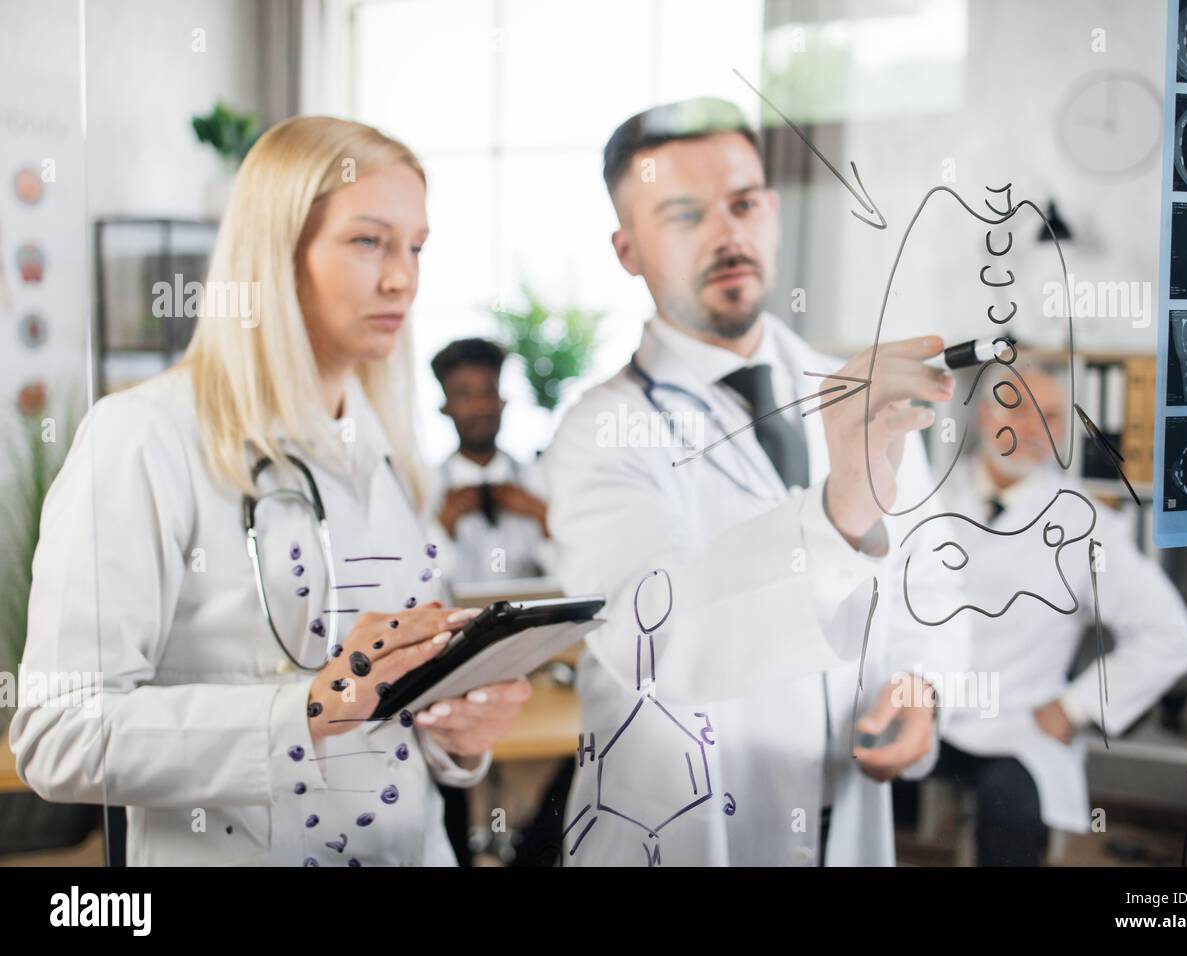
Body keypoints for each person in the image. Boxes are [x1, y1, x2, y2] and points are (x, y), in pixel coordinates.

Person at [9, 116, 532, 866]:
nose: (403, 278)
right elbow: (57, 736)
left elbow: (399, 710)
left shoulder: (390, 454)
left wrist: (461, 737)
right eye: (368, 241)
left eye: (415, 247)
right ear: (276, 252)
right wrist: (309, 708)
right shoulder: (144, 439)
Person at [542, 98, 970, 866]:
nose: (726, 234)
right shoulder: (596, 433)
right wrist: (841, 513)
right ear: (628, 249)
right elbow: (655, 634)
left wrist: (920, 688)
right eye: (683, 214)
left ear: (772, 213)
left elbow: (931, 585)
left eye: (743, 204)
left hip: (850, 813)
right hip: (685, 830)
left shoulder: (853, 393)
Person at [916, 362, 1187, 865]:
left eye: (1050, 416)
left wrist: (1075, 708)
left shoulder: (1085, 521)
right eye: (1018, 409)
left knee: (1012, 810)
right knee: (836, 772)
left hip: (1018, 723)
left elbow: (1171, 634)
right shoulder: (925, 496)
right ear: (983, 415)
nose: (1035, 429)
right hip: (921, 707)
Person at [427, 337, 553, 585]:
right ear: (445, 407)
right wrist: (443, 524)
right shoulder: (425, 487)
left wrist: (541, 515)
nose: (480, 406)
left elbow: (570, 573)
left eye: (488, 391)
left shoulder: (538, 479)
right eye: (464, 395)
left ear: (502, 400)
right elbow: (418, 583)